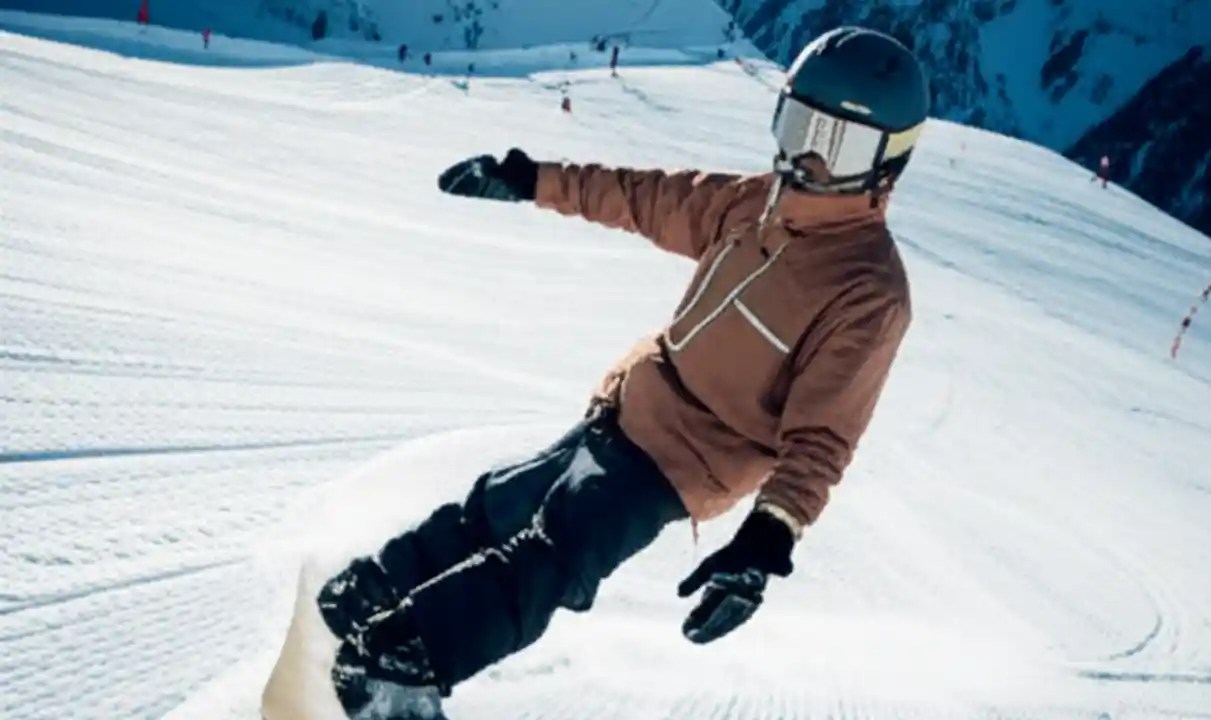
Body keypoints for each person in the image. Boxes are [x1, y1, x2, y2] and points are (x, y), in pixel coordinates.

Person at [261, 26, 927, 720]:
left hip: (682, 464)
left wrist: (766, 540)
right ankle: (368, 592)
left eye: (833, 143)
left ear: (886, 164)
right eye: (796, 126)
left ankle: (406, 662)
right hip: (622, 407)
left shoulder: (868, 291)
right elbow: (644, 197)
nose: (804, 158)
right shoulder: (752, 205)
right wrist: (531, 180)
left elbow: (822, 440)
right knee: (493, 508)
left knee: (556, 552)